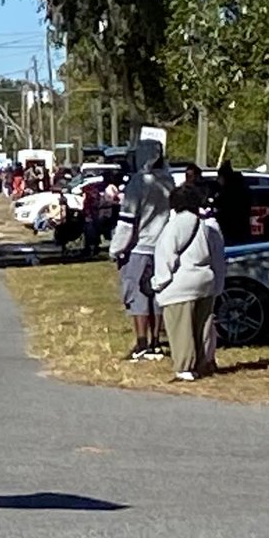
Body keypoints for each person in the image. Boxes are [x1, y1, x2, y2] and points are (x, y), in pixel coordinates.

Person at [152, 185, 228, 383]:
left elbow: (165, 257)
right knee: (202, 326)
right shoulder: (206, 226)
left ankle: (185, 367)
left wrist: (159, 283)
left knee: (181, 327)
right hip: (205, 280)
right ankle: (205, 362)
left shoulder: (174, 226)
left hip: (181, 283)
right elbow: (216, 256)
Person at [109, 137, 176, 361]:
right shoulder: (168, 181)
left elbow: (128, 220)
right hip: (163, 246)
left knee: (137, 296)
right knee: (157, 294)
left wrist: (116, 248)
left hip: (139, 248)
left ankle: (141, 343)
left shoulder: (138, 182)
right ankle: (156, 342)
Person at [216, 161, 253, 246]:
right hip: (241, 228)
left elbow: (223, 208)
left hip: (230, 229)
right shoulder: (241, 189)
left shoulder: (227, 193)